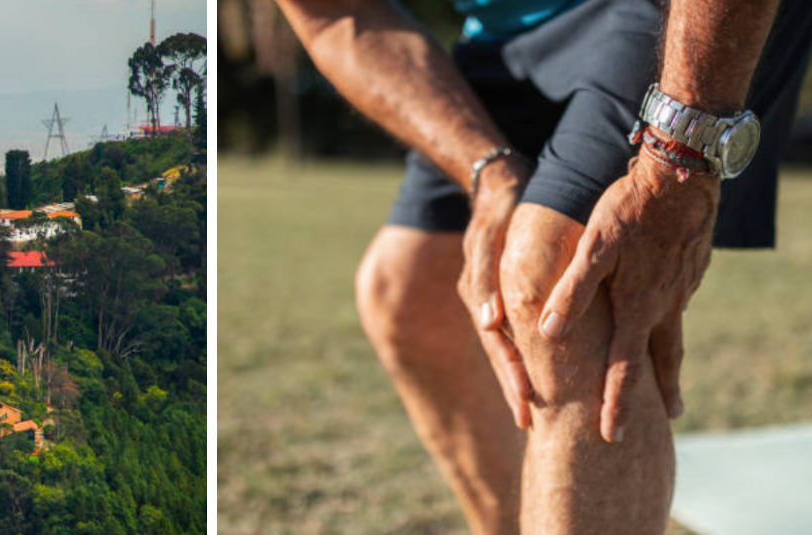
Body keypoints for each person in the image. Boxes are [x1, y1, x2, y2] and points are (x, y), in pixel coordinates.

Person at [272, 0, 812, 533]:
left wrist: (678, 164)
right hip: (508, 28)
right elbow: (337, 17)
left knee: (560, 284)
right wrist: (488, 175)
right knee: (409, 291)